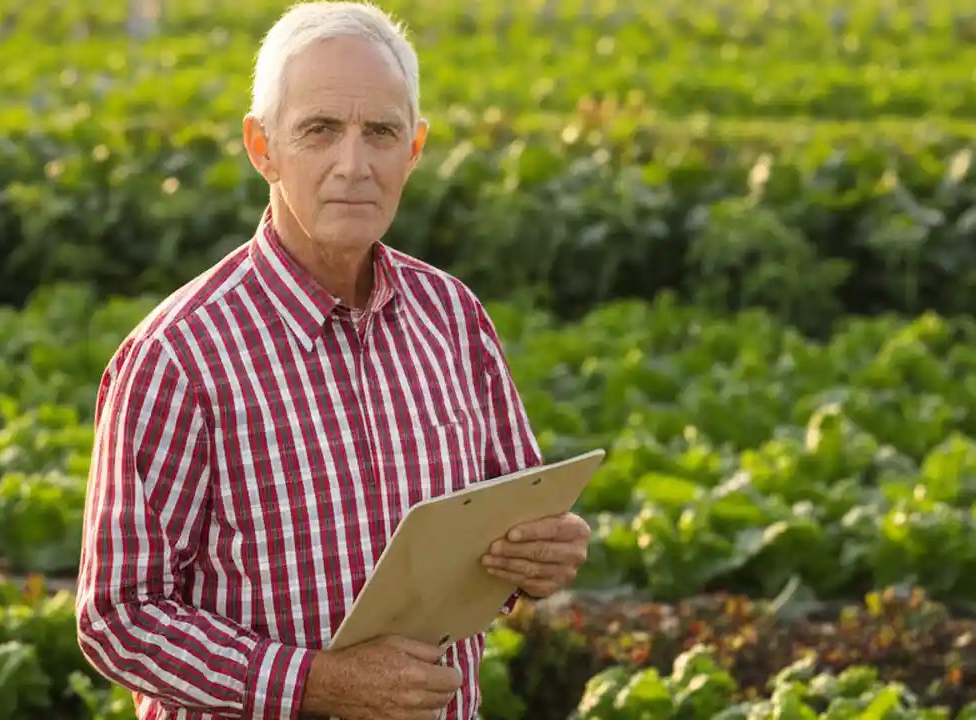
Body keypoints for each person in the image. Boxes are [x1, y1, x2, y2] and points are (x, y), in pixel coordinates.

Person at [75, 2, 592, 718]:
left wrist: (543, 554)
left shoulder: (453, 318)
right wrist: (318, 682)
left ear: (414, 149)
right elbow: (118, 618)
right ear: (262, 147)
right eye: (319, 130)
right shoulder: (179, 356)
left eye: (380, 132)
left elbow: (511, 517)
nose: (354, 165)